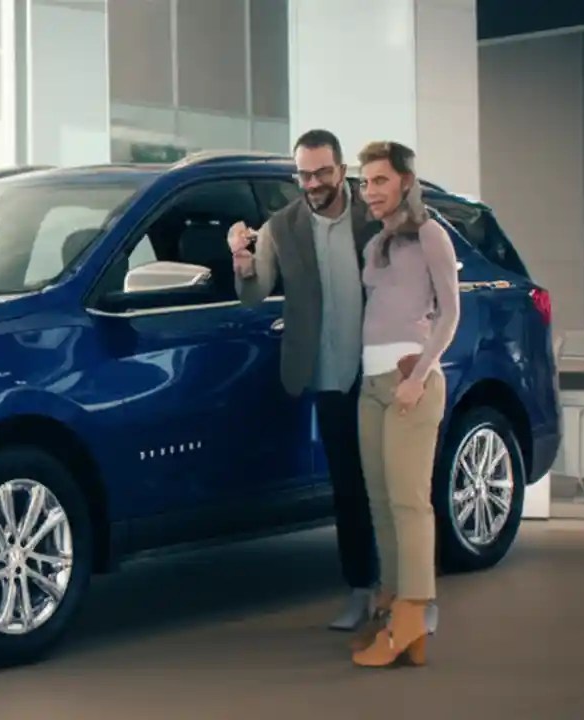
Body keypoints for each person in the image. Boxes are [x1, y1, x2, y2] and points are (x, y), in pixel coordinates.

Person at [228, 129, 381, 632]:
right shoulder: (282, 227)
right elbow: (255, 293)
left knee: (391, 487)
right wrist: (242, 263)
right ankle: (361, 590)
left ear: (342, 171)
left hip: (380, 373)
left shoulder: (374, 215)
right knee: (349, 489)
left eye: (321, 173)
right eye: (304, 175)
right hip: (330, 378)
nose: (313, 183)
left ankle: (403, 593)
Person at [349, 141, 458, 668]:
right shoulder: (377, 241)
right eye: (365, 182)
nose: (370, 191)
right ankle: (393, 605)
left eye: (381, 181)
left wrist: (420, 375)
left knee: (410, 503)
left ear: (405, 182)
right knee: (380, 501)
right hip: (372, 384)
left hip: (409, 380)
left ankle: (413, 615)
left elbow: (450, 313)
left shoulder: (430, 234)